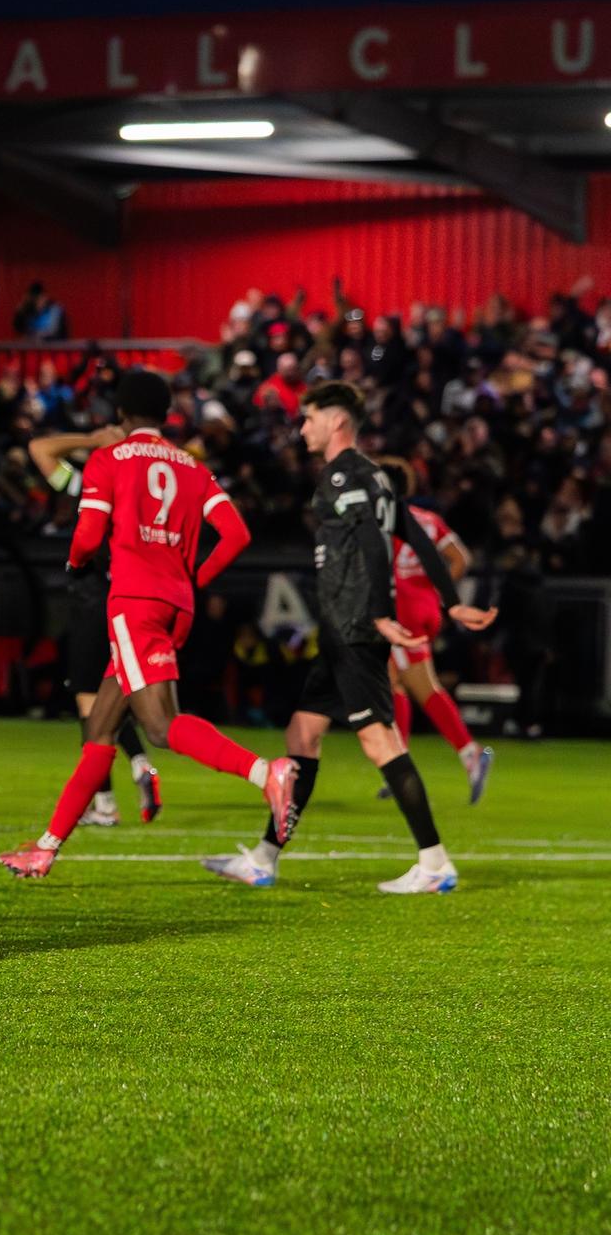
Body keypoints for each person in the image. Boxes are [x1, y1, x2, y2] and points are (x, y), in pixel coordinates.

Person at [0, 370, 295, 880]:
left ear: (119, 413)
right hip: (175, 602)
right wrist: (193, 577)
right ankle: (46, 847)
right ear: (165, 415)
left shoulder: (108, 459)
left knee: (159, 726)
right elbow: (236, 533)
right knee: (100, 730)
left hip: (133, 599)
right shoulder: (191, 467)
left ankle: (266, 772)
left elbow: (89, 534)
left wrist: (74, 561)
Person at [203, 382, 496, 893]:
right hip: (343, 628)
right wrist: (452, 602)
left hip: (356, 625)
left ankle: (434, 862)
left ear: (336, 421)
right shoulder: (376, 477)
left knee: (379, 740)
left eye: (309, 417)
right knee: (302, 736)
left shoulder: (344, 475)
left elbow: (369, 541)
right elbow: (418, 537)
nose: (302, 428)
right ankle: (265, 858)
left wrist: (380, 613)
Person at [27, 427, 163, 827]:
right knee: (113, 693)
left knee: (90, 703)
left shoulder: (89, 483)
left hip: (93, 597)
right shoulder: (140, 489)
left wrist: (90, 440)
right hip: (132, 595)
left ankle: (108, 798)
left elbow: (39, 446)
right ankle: (133, 768)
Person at [375, 459, 492, 802]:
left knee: (421, 685)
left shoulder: (385, 521)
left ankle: (470, 753)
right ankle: (398, 767)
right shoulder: (428, 520)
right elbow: (461, 559)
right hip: (424, 606)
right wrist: (437, 593)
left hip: (401, 609)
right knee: (393, 680)